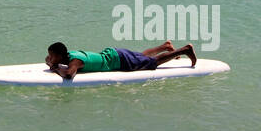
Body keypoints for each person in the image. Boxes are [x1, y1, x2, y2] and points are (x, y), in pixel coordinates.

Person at [45, 40, 195, 79]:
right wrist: (52, 62)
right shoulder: (68, 54)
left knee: (152, 63)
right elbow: (47, 59)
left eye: (52, 56)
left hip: (118, 61)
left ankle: (185, 50)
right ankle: (165, 46)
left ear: (60, 55)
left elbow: (70, 74)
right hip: (114, 53)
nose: (50, 58)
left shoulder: (75, 61)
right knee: (141, 56)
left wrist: (56, 68)